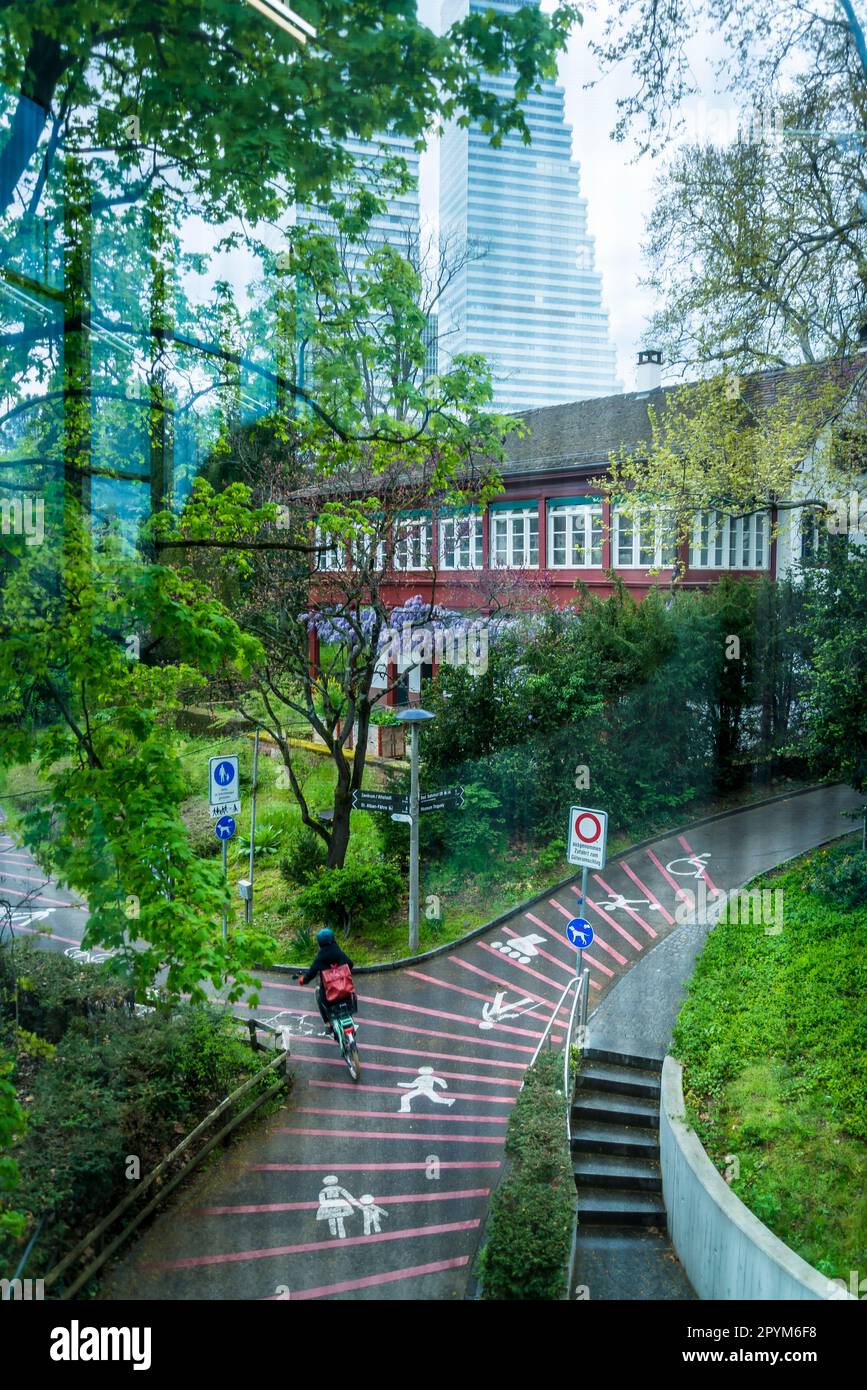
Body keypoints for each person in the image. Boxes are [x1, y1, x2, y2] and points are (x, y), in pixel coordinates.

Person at [298, 928, 356, 1036]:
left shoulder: (320, 957)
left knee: (318, 995)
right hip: (346, 993)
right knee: (349, 999)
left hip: (330, 997)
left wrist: (303, 980)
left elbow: (311, 974)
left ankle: (328, 1024)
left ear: (320, 943)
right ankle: (349, 1020)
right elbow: (350, 964)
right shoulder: (338, 952)